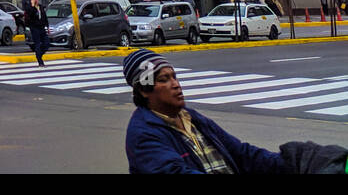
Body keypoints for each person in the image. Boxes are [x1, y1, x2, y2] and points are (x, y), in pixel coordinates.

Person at [122, 49, 286, 174]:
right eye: (163, 80)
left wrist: (290, 160)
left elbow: (241, 153)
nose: (175, 84)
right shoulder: (143, 134)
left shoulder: (191, 117)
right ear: (144, 90)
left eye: (174, 77)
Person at [23, 0, 49, 67]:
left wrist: (47, 26)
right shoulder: (29, 8)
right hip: (34, 28)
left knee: (46, 43)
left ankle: (39, 55)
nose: (36, 0)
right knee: (37, 44)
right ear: (31, 0)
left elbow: (44, 17)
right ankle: (40, 62)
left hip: (42, 27)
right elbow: (29, 15)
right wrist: (32, 6)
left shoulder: (40, 7)